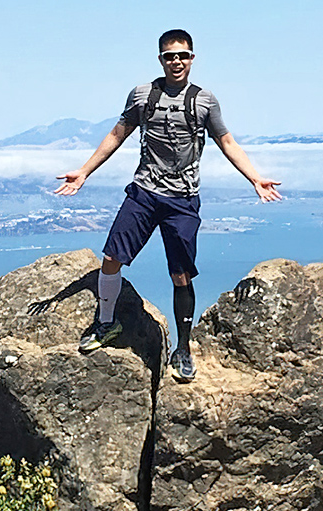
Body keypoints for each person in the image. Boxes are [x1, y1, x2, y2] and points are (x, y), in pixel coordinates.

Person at [55, 28, 281, 381]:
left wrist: (255, 177)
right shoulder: (143, 95)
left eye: (183, 55)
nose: (177, 61)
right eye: (170, 56)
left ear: (193, 58)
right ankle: (105, 324)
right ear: (160, 59)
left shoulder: (204, 101)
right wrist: (84, 172)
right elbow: (118, 134)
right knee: (112, 257)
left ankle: (183, 348)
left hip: (182, 199)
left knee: (180, 275)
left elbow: (227, 141)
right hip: (144, 192)